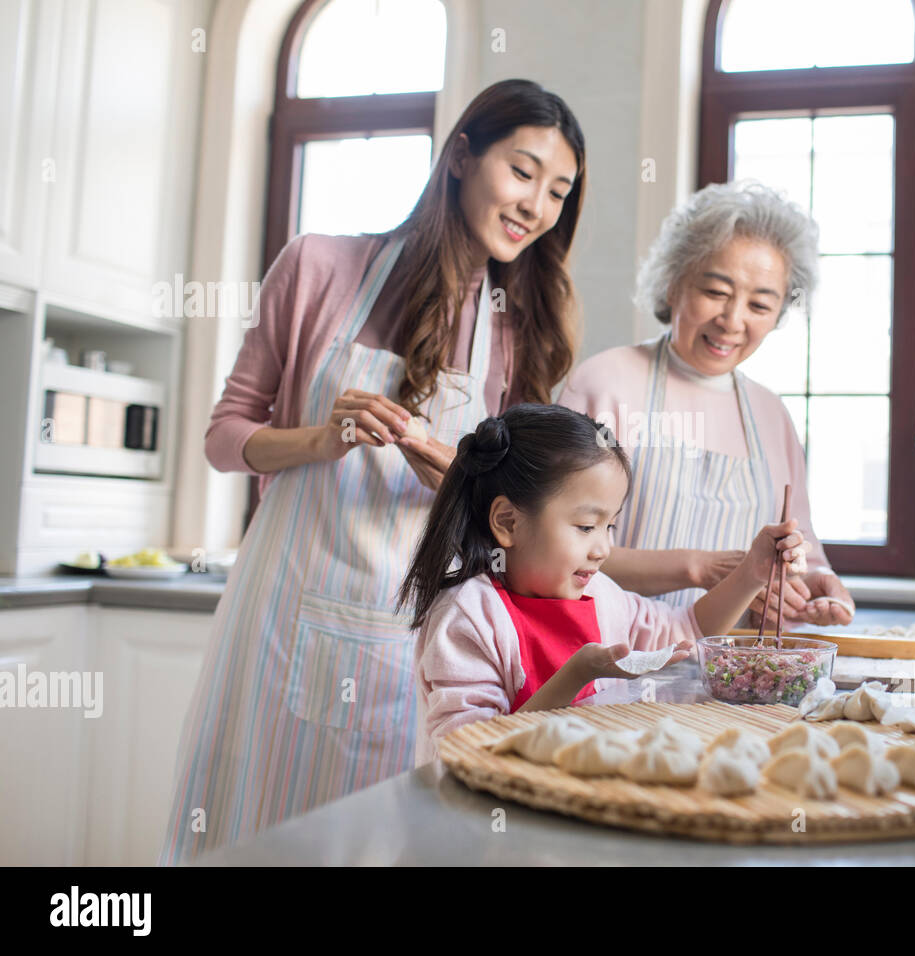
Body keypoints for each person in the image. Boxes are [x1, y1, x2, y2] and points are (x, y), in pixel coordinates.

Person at [158, 79, 586, 864]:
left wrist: (459, 480)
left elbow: (515, 517)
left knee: (372, 846)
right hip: (282, 617)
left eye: (558, 191)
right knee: (252, 831)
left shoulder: (518, 328)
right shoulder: (320, 266)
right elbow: (225, 438)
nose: (537, 206)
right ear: (460, 156)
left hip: (411, 640)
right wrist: (316, 441)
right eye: (522, 172)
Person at [398, 404, 806, 755]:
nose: (603, 549)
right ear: (508, 522)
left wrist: (754, 570)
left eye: (609, 526)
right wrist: (576, 675)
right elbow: (470, 750)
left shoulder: (599, 594)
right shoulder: (468, 616)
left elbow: (687, 628)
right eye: (586, 526)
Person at [559, 180, 855, 629]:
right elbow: (554, 547)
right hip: (608, 661)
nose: (732, 321)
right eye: (716, 292)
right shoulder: (606, 383)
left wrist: (816, 580)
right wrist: (696, 567)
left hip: (730, 676)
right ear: (675, 281)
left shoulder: (770, 415)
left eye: (759, 304)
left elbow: (802, 547)